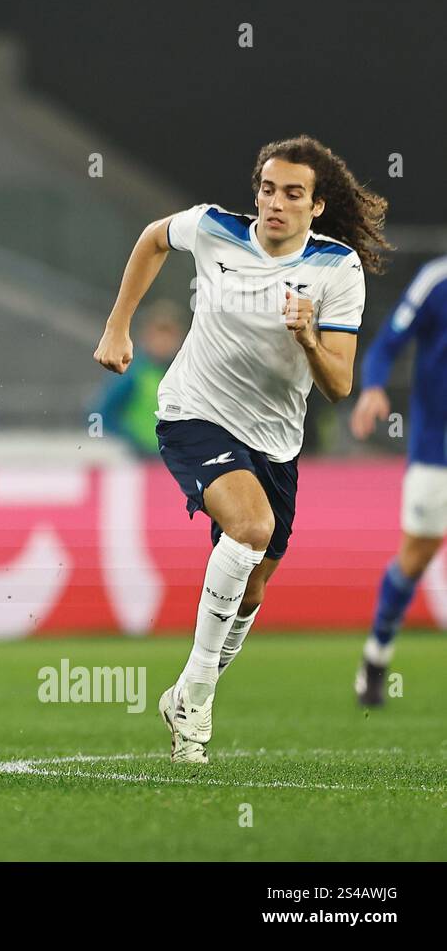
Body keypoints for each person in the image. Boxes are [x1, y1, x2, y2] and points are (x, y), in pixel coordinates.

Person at [94, 135, 389, 763]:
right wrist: (119, 323)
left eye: (292, 194)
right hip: (193, 412)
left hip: (276, 440)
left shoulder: (337, 269)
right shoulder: (212, 229)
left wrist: (309, 337)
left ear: (316, 206)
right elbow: (153, 238)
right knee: (251, 526)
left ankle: (187, 692)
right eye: (266, 189)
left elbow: (338, 385)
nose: (274, 203)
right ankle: (196, 698)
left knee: (252, 590)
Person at [349, 256, 447, 706]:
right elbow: (388, 342)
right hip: (436, 450)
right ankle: (376, 656)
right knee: (416, 556)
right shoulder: (436, 280)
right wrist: (372, 386)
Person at [90, 301, 184, 455]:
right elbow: (101, 412)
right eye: (159, 336)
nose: (164, 342)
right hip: (138, 458)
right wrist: (130, 440)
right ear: (147, 336)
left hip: (173, 458)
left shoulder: (182, 372)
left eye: (169, 336)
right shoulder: (133, 372)